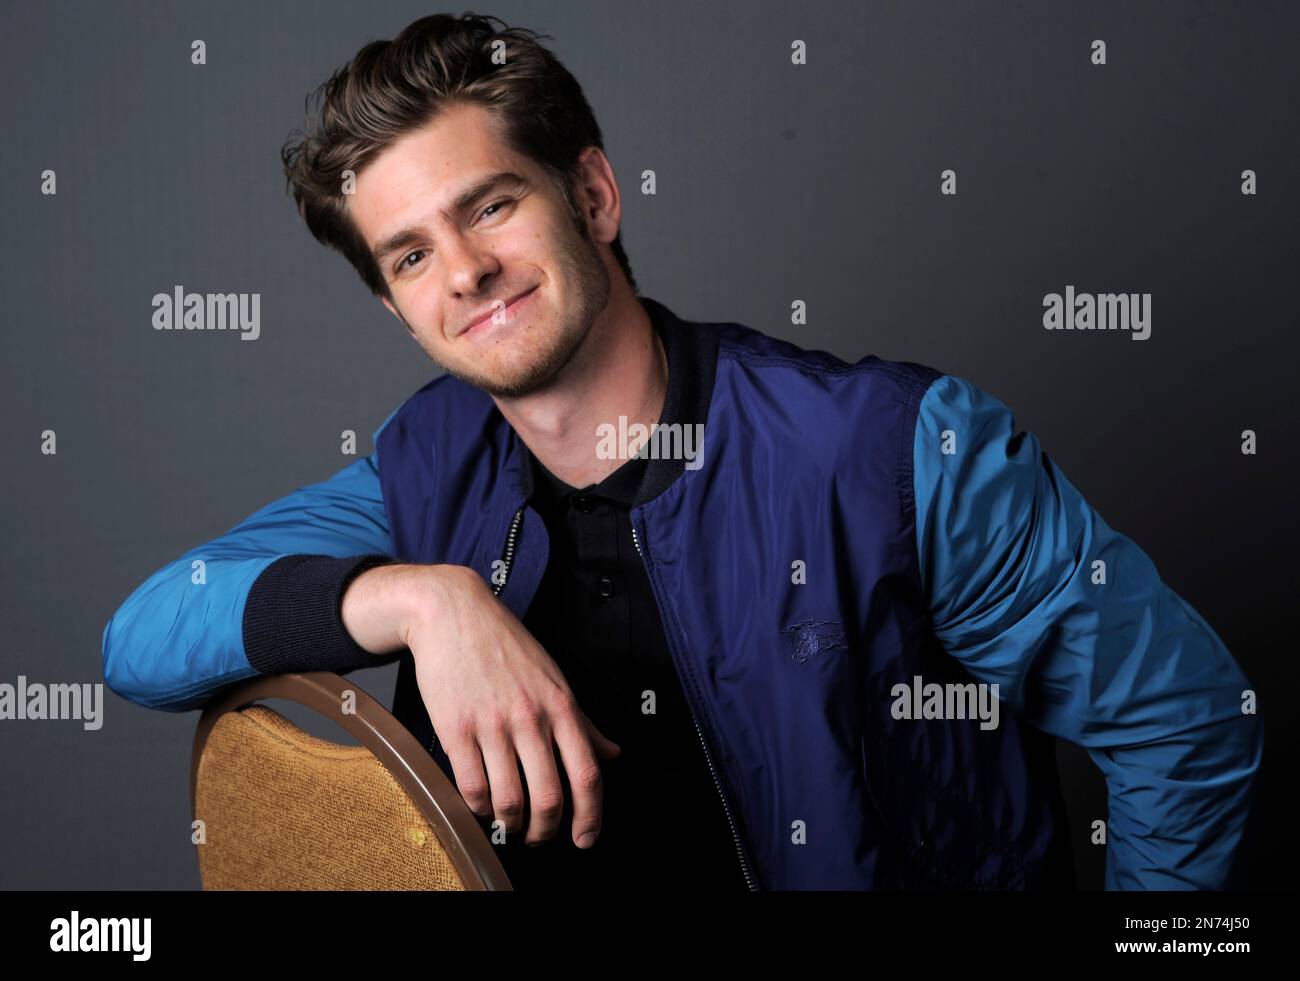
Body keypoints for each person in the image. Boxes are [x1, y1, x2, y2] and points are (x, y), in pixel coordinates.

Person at [102, 12, 1262, 891]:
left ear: (593, 195)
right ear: (399, 310)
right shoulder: (421, 473)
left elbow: (1187, 721)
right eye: (408, 257)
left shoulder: (899, 451)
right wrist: (425, 602)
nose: (462, 271)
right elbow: (144, 635)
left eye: (491, 206)